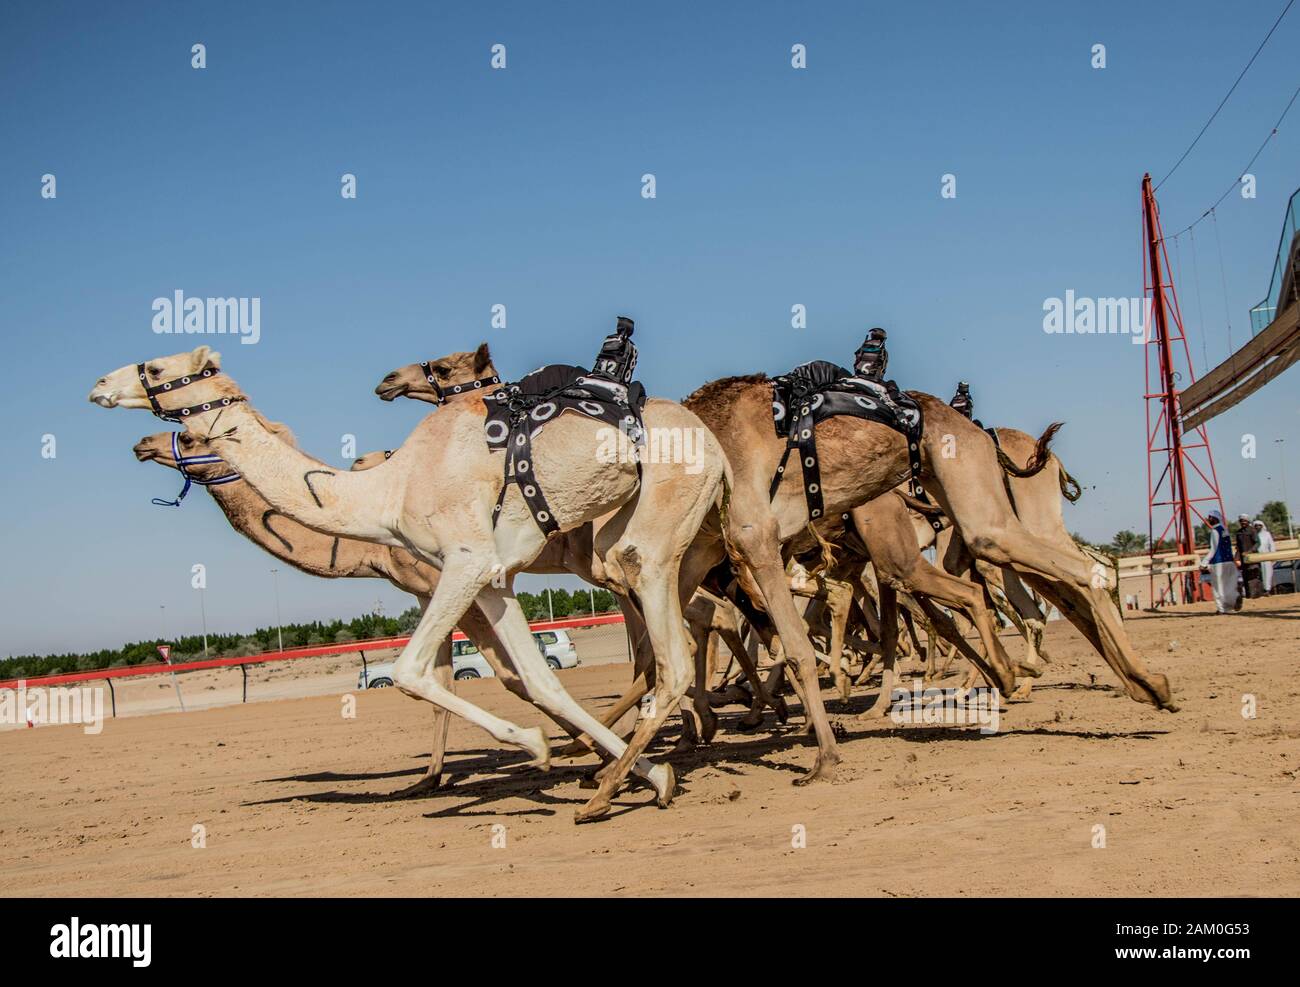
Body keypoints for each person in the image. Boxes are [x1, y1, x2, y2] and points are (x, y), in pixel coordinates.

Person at [1200, 510, 1239, 614]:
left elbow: (1214, 549)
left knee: (1218, 587)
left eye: (1210, 517)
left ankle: (1221, 609)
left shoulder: (1214, 531)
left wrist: (1204, 562)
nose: (1208, 519)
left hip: (1218, 563)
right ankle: (1231, 603)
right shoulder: (1225, 530)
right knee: (1228, 585)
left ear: (1215, 518)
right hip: (1229, 561)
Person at [1235, 513, 1263, 599]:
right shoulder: (1238, 533)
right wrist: (1237, 558)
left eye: (1244, 521)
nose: (1243, 522)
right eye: (1241, 521)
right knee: (1246, 576)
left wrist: (1250, 552)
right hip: (1243, 559)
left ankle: (1256, 595)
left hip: (1253, 558)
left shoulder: (1252, 531)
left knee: (1254, 575)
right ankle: (1248, 595)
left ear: (1248, 521)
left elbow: (1258, 543)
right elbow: (1238, 547)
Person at [1253, 518, 1276, 594]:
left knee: (1267, 573)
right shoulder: (1254, 535)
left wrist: (1272, 556)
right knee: (1259, 574)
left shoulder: (1267, 534)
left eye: (1259, 525)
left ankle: (1267, 590)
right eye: (1256, 526)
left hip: (1266, 557)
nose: (1257, 527)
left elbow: (1271, 545)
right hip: (1256, 557)